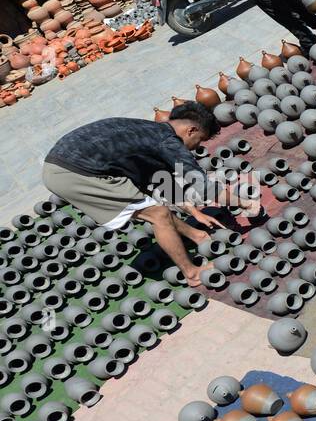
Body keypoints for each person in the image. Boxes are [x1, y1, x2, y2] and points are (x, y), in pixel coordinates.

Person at [41, 102, 236, 289]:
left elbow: (160, 181)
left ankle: (197, 236)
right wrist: (244, 202)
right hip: (74, 173)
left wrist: (194, 213)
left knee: (152, 207)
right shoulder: (167, 141)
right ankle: (192, 273)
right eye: (199, 140)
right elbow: (203, 186)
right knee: (158, 214)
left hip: (58, 165)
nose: (195, 147)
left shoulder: (146, 131)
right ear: (191, 130)